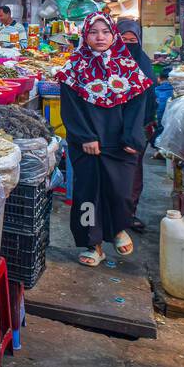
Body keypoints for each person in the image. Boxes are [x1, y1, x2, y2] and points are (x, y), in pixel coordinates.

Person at [58, 13, 152, 266]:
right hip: (87, 144)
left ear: (114, 35)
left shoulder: (128, 67)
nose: (100, 37)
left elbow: (137, 106)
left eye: (105, 32)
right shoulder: (74, 67)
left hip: (120, 141)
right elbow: (71, 108)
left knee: (120, 191)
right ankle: (93, 245)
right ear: (85, 35)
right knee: (88, 196)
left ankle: (118, 229)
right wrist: (84, 137)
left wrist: (132, 137)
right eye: (93, 32)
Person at [116, 18, 156, 232]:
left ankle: (128, 214)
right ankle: (111, 215)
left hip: (139, 129)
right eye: (123, 39)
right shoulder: (108, 63)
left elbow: (150, 99)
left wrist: (139, 130)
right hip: (112, 128)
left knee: (133, 173)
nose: (129, 44)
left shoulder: (144, 62)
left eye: (133, 40)